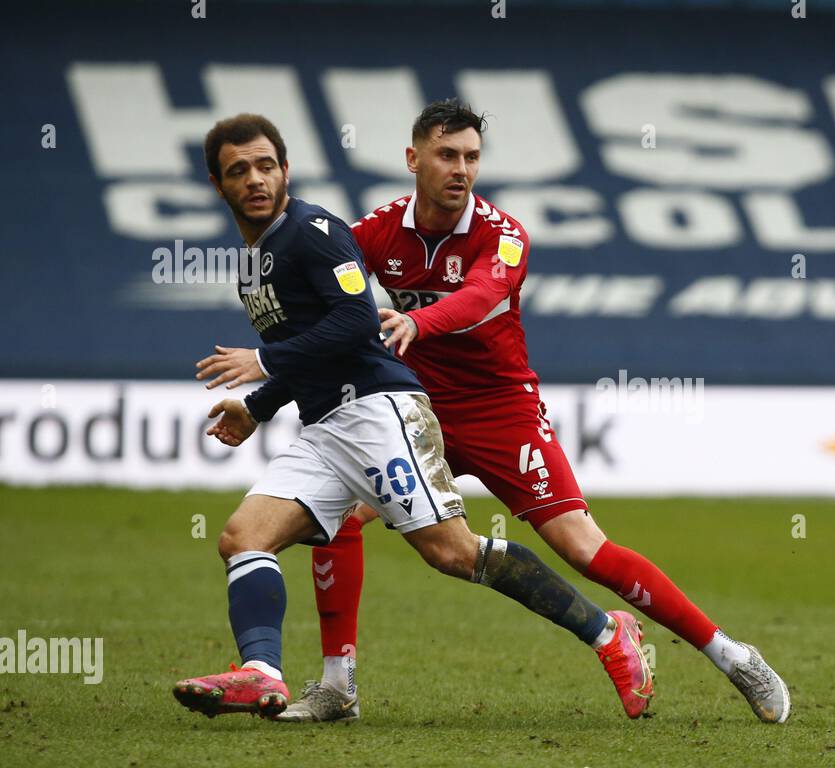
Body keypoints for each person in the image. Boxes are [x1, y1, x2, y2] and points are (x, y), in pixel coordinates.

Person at [277, 101, 789, 726]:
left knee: (583, 548)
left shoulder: (505, 234)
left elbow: (479, 298)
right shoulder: (375, 233)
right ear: (413, 160)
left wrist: (415, 318)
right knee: (335, 517)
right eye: (446, 155)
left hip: (501, 412)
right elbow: (336, 307)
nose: (460, 168)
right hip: (416, 411)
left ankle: (733, 656)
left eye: (471, 157)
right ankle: (338, 684)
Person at [172, 113, 653, 721]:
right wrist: (257, 408)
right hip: (327, 427)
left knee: (452, 553)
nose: (256, 179)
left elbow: (352, 323)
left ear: (286, 170)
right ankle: (262, 672)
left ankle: (607, 634)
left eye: (267, 165)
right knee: (242, 539)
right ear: (218, 185)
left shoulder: (315, 230)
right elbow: (319, 349)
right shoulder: (256, 260)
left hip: (378, 412)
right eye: (239, 171)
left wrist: (262, 364)